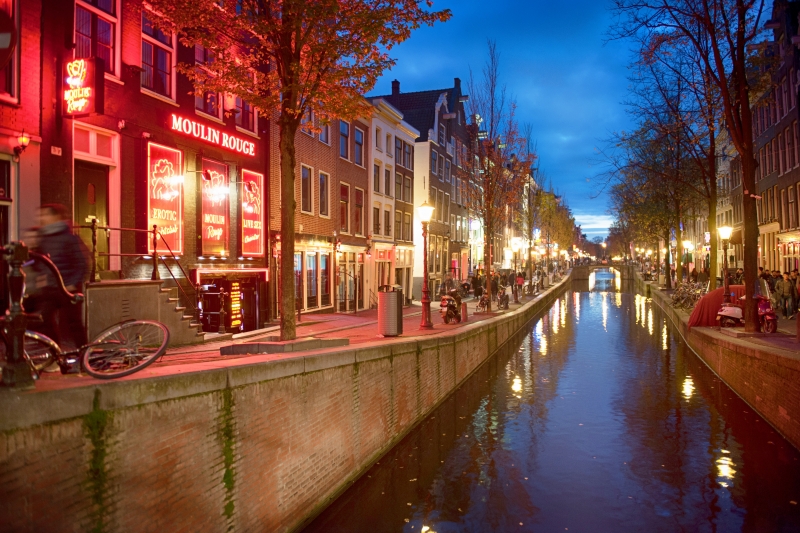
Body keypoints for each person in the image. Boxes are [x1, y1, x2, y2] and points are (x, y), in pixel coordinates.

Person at [27, 204, 89, 350]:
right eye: (40, 215)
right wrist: (32, 252)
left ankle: (85, 355)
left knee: (73, 323)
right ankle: (56, 354)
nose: (40, 218)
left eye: (44, 215)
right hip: (49, 287)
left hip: (67, 287)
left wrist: (72, 283)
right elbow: (37, 263)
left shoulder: (69, 238)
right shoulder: (41, 238)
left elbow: (82, 263)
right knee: (43, 320)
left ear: (55, 217)